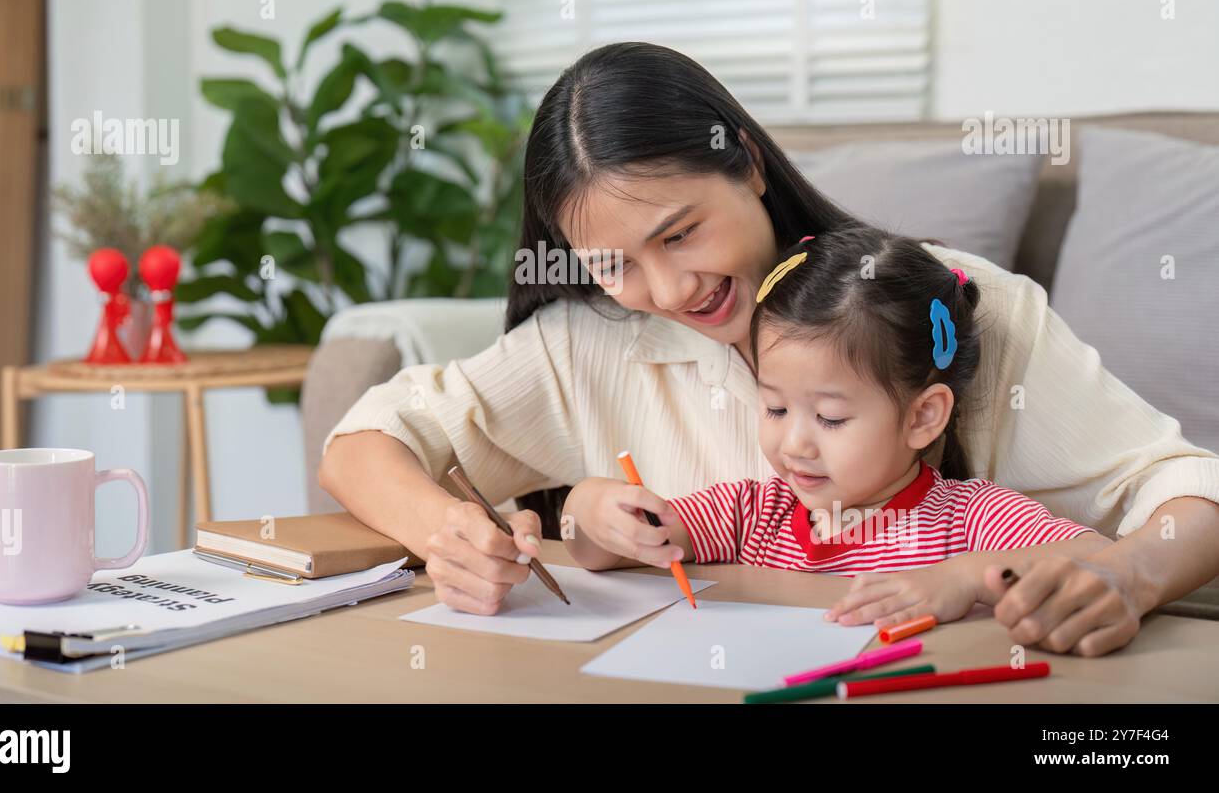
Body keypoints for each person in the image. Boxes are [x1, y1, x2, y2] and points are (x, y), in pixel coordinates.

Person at [320, 42, 1219, 656]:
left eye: (680, 234)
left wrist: (1130, 575)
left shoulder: (948, 305)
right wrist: (453, 535)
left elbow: (1184, 486)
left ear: (747, 164)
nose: (669, 292)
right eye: (614, 264)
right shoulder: (592, 341)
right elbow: (367, 440)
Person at [563, 227, 1112, 631]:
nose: (795, 444)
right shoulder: (754, 514)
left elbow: (1096, 559)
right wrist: (591, 510)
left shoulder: (970, 520)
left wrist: (966, 577)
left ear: (922, 416)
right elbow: (629, 543)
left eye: (829, 418)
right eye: (775, 409)